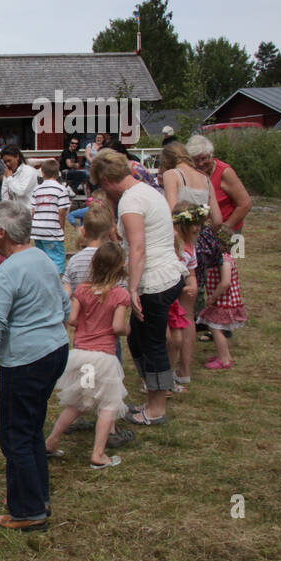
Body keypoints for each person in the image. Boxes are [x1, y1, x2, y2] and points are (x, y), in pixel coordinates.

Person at [0, 201, 69, 533]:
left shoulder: (6, 272)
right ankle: (37, 497)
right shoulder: (43, 259)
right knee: (32, 428)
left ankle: (29, 511)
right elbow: (65, 305)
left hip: (27, 362)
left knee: (15, 436)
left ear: (1, 233)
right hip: (55, 351)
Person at [91, 149, 184, 427]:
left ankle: (157, 409)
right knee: (137, 340)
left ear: (107, 180)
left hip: (154, 280)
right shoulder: (145, 190)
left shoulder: (131, 201)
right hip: (159, 275)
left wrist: (132, 289)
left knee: (152, 343)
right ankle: (153, 397)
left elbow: (138, 248)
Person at [44, 243, 131, 469]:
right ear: (121, 267)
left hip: (82, 356)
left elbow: (72, 319)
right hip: (104, 358)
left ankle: (52, 441)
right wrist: (129, 329)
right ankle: (98, 453)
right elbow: (118, 326)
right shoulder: (121, 295)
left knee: (80, 402)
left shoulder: (82, 290)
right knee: (109, 405)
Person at [198, 227, 246, 370]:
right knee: (215, 328)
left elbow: (225, 282)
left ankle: (224, 359)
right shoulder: (223, 259)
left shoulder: (224, 261)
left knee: (215, 328)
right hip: (222, 300)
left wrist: (213, 296)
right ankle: (224, 355)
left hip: (224, 301)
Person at [168, 204, 203, 389]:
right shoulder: (173, 243)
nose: (197, 228)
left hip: (182, 290)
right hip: (168, 289)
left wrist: (193, 284)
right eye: (192, 224)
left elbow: (191, 271)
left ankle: (184, 370)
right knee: (172, 335)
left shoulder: (190, 245)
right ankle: (167, 371)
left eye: (199, 223)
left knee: (185, 324)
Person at [186, 134, 251, 234]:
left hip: (228, 229)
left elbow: (245, 204)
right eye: (195, 160)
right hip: (204, 231)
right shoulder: (193, 172)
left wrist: (226, 227)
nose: (200, 164)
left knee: (235, 250)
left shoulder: (225, 172)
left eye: (203, 158)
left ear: (211, 155)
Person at [62, 204, 116, 295]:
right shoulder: (114, 259)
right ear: (112, 231)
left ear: (83, 231)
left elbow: (67, 290)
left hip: (80, 307)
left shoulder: (75, 260)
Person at [30, 159, 71, 274]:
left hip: (37, 228)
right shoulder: (61, 189)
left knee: (41, 255)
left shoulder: (37, 189)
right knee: (57, 255)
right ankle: (56, 277)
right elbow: (62, 211)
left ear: (42, 173)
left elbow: (33, 210)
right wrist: (61, 227)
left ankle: (42, 274)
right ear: (58, 173)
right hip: (52, 228)